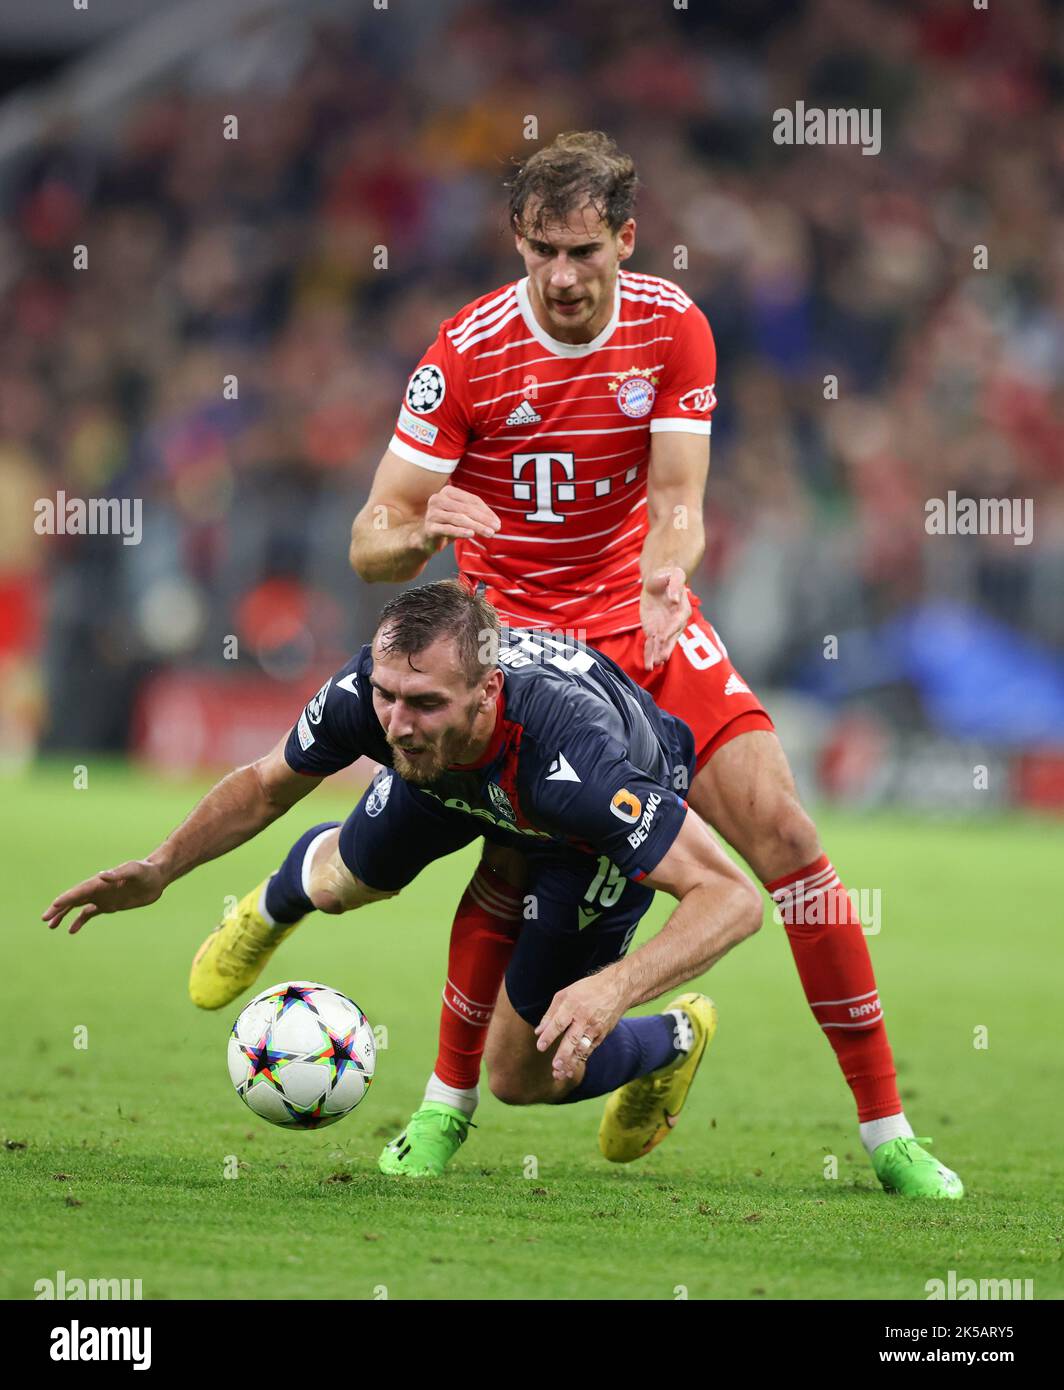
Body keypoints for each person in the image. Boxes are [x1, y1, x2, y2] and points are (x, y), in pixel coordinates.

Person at [347, 131, 963, 1198]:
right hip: (519, 649)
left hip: (641, 619)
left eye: (584, 249)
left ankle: (886, 1132)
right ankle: (444, 1109)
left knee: (788, 838)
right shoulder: (463, 351)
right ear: (518, 244)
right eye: (541, 250)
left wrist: (667, 572)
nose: (563, 274)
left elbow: (678, 499)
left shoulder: (671, 326)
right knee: (504, 874)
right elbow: (369, 539)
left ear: (625, 239)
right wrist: (416, 533)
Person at [42, 580, 765, 1161]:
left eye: (423, 702)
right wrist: (160, 867)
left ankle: (673, 1039)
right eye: (388, 695)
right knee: (338, 885)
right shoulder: (378, 700)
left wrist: (617, 987)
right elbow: (266, 786)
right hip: (462, 778)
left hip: (578, 834)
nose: (396, 724)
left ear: (486, 694)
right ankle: (272, 906)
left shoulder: (581, 766)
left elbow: (733, 897)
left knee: (520, 1076)